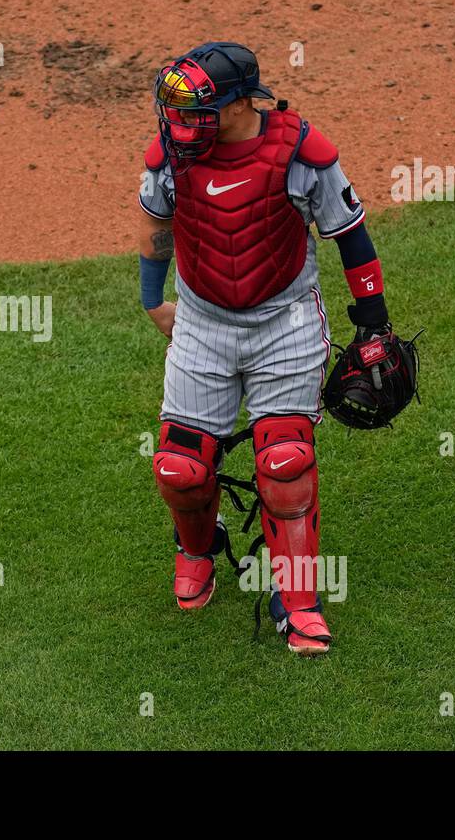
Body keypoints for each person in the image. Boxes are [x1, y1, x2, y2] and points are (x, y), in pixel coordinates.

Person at [138, 41, 395, 656]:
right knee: (180, 467)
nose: (181, 122)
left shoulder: (302, 155)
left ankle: (298, 598)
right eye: (175, 109)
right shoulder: (171, 156)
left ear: (238, 103)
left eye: (196, 109)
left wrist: (374, 325)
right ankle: (197, 547)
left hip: (285, 322)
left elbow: (350, 235)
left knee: (285, 463)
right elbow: (154, 229)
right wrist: (154, 301)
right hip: (201, 321)